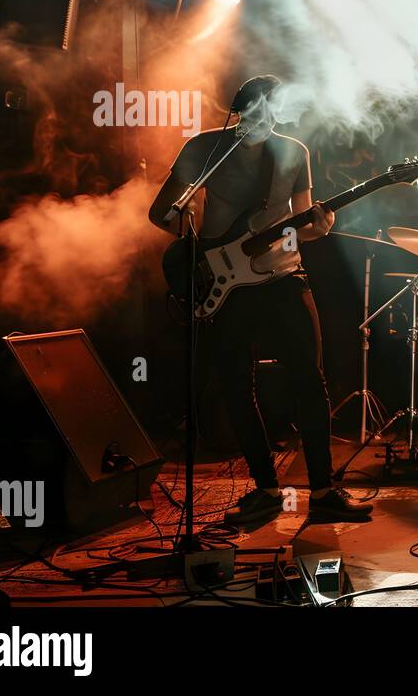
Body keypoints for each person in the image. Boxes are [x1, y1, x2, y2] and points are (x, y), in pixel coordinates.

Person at [148, 74, 373, 526]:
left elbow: (302, 222)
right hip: (226, 284)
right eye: (266, 107)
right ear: (246, 108)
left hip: (284, 276)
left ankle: (324, 490)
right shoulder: (203, 149)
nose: (273, 116)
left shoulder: (294, 152)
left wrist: (318, 227)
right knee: (236, 384)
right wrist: (202, 247)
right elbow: (161, 212)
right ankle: (266, 489)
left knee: (310, 381)